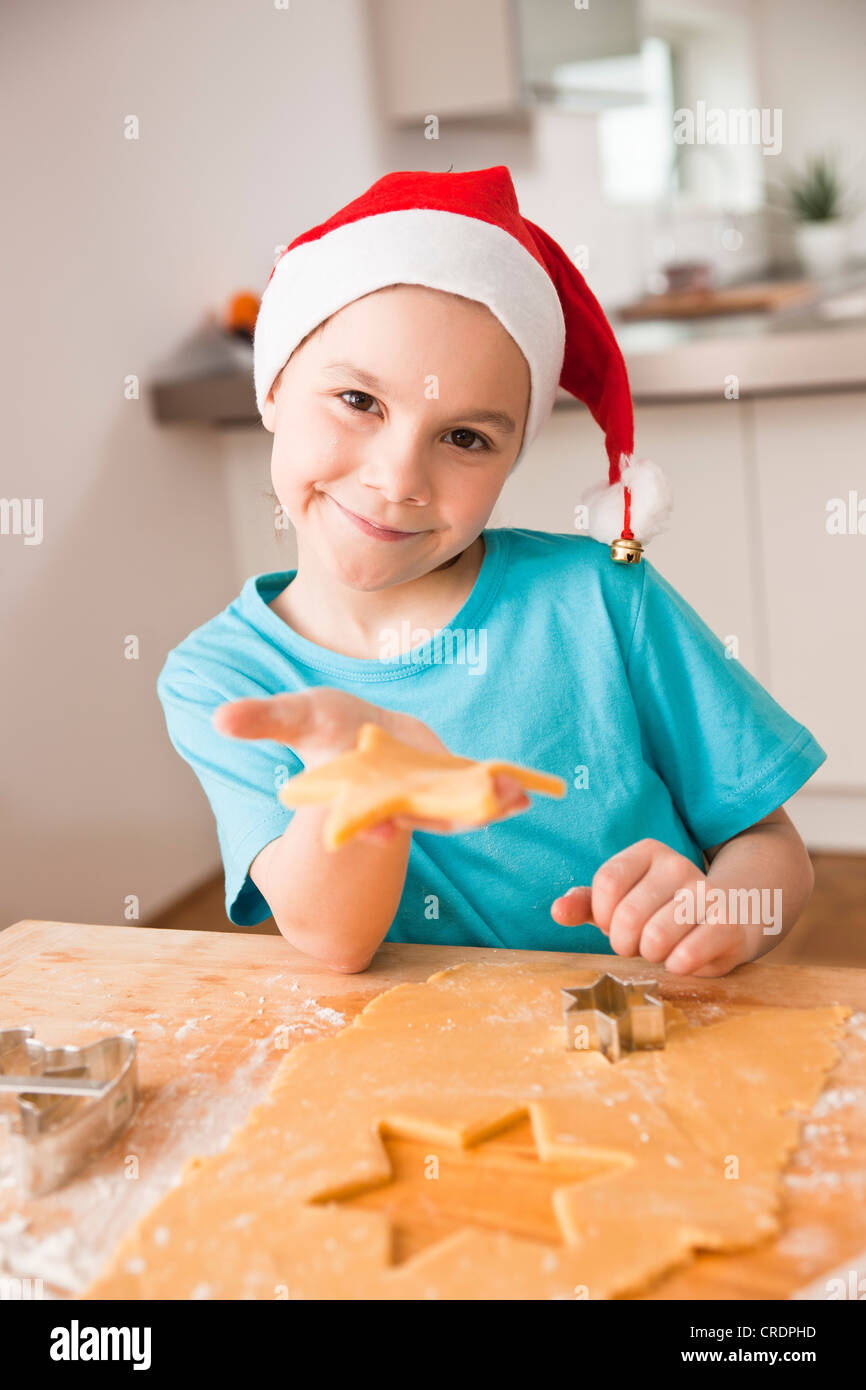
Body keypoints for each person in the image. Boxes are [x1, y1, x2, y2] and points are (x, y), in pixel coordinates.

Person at [157, 166, 824, 976]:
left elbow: (771, 846)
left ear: (512, 458)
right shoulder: (226, 681)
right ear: (273, 386)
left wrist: (728, 909)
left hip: (661, 1039)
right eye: (359, 402)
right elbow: (334, 938)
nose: (398, 478)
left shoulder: (603, 598)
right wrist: (368, 785)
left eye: (465, 438)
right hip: (440, 1079)